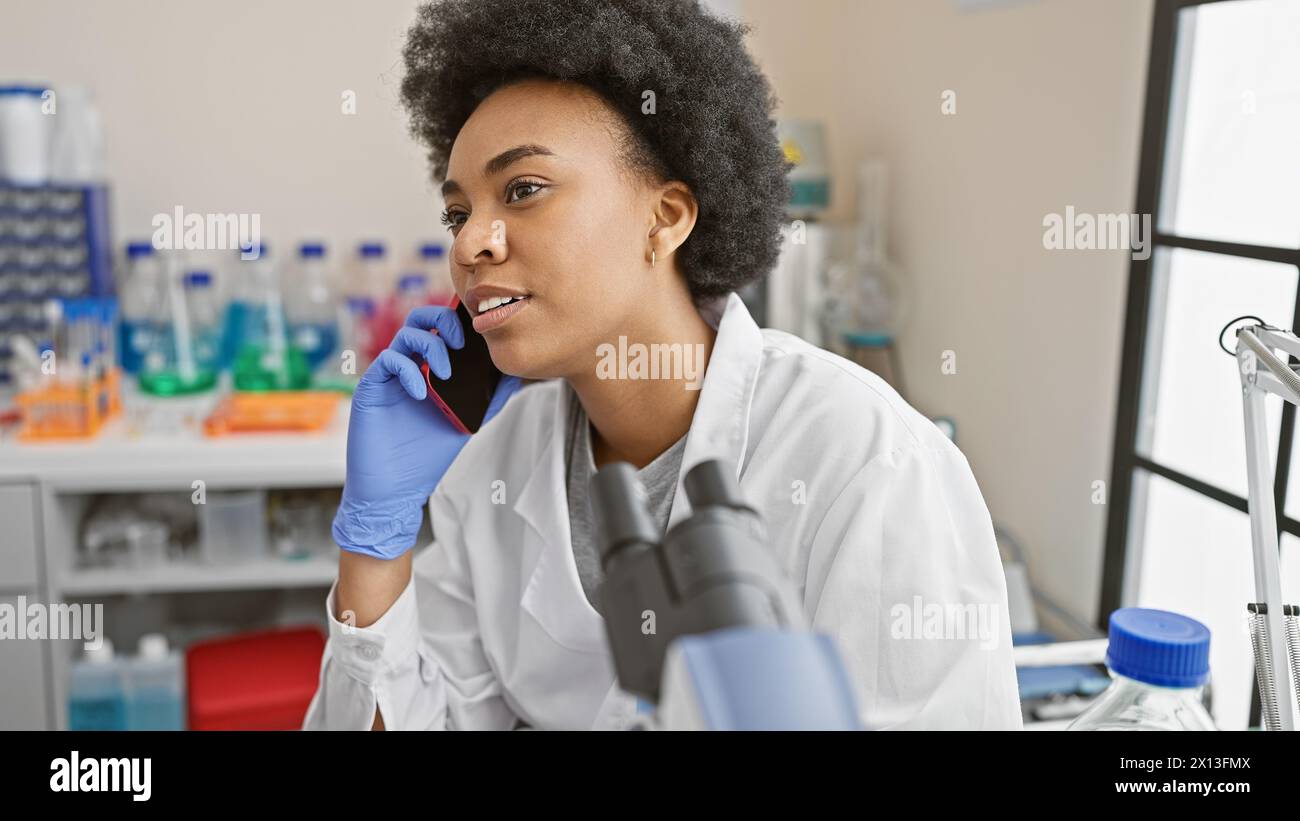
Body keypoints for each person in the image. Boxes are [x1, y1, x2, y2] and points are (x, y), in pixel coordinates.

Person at [304, 0, 1022, 730]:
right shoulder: (494, 459)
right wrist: (375, 540)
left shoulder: (867, 461)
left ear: (667, 216)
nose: (469, 245)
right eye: (458, 213)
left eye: (523, 190)